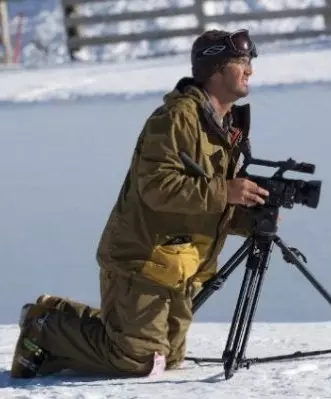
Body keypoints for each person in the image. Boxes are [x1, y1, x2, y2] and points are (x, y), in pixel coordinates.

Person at [10, 28, 270, 379]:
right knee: (138, 360)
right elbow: (157, 187)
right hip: (142, 258)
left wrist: (251, 214)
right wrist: (226, 191)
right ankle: (45, 324)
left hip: (180, 265)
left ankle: (83, 326)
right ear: (215, 70)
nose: (250, 69)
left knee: (168, 359)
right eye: (241, 62)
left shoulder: (226, 128)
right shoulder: (176, 118)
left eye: (249, 62)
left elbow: (206, 199)